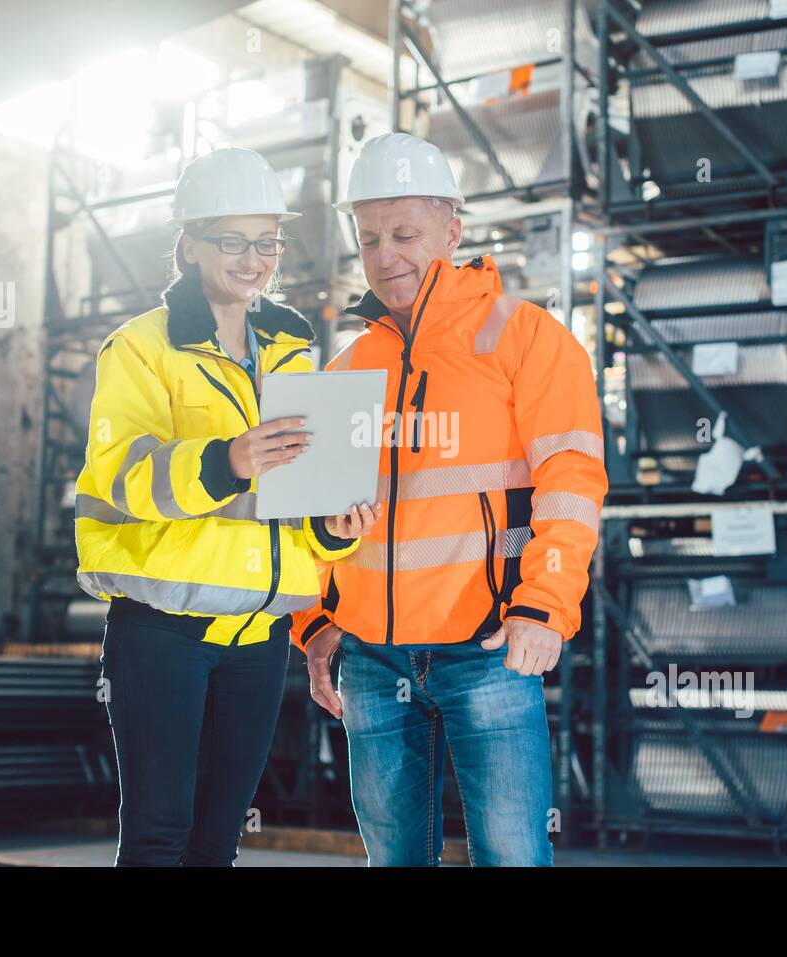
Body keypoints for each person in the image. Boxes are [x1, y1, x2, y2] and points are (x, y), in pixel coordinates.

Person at [291, 132, 607, 866]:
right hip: (370, 656)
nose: (385, 255)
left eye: (404, 233)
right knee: (395, 858)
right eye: (368, 238)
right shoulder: (345, 366)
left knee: (510, 855)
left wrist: (545, 606)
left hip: (489, 645)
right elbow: (313, 519)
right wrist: (315, 623)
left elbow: (572, 479)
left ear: (453, 230)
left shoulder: (524, 337)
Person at [74, 146, 381, 866]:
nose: (254, 258)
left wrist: (333, 530)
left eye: (268, 241)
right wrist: (227, 460)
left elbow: (297, 499)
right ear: (189, 244)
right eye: (233, 240)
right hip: (162, 634)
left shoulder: (292, 342)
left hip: (260, 638)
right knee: (158, 834)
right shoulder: (140, 348)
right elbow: (122, 476)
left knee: (216, 843)